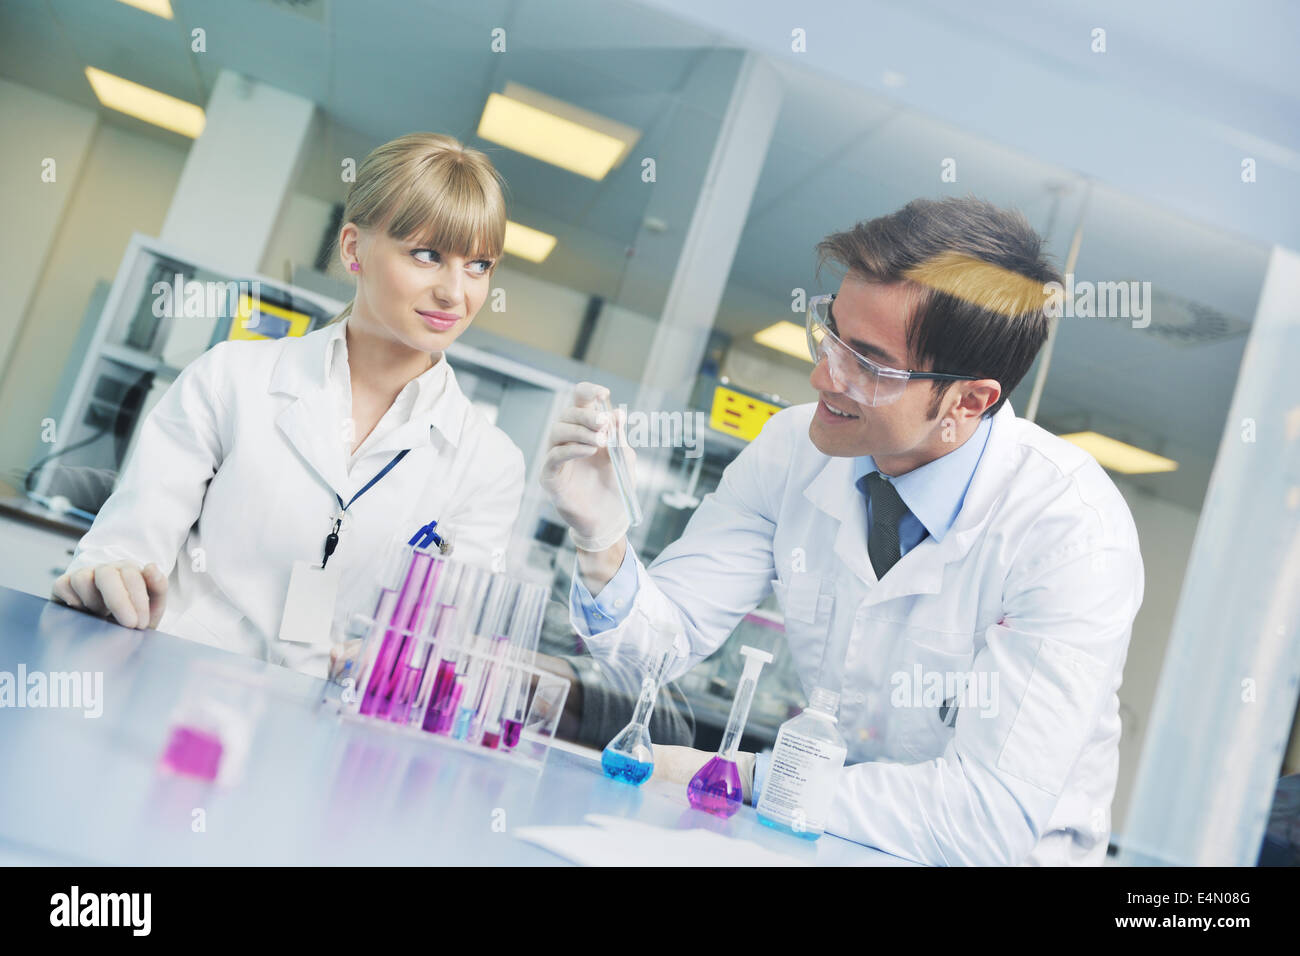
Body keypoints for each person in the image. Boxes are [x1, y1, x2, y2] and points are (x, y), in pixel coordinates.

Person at [541, 196, 1145, 866]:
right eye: (831, 334)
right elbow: (657, 648)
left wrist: (742, 779)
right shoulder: (789, 449)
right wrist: (602, 538)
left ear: (969, 400)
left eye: (869, 364)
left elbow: (985, 818)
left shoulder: (1071, 534)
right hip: (808, 840)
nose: (823, 375)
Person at [52, 133, 525, 679]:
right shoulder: (233, 378)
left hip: (324, 734)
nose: (454, 292)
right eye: (427, 255)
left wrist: (405, 663)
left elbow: (446, 644)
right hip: (165, 690)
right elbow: (126, 548)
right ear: (354, 249)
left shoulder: (488, 462)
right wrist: (106, 578)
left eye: (479, 266)